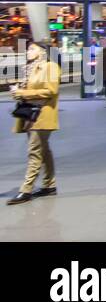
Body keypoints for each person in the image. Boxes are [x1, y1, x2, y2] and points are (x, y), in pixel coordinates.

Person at [7, 41, 59, 204]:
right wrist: (18, 92)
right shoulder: (31, 68)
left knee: (34, 151)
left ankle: (26, 190)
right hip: (32, 114)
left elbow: (51, 91)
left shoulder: (50, 67)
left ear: (43, 52)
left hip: (42, 114)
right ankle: (49, 185)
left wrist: (23, 92)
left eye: (31, 49)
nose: (27, 51)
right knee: (43, 151)